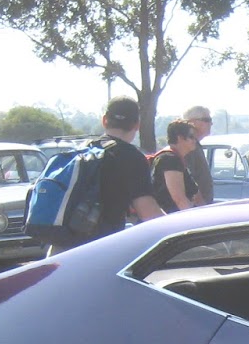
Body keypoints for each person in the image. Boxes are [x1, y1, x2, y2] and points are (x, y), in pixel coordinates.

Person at [64, 96, 162, 253]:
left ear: (104, 121)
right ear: (137, 125)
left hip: (60, 246)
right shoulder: (131, 157)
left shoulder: (81, 150)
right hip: (99, 248)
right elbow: (148, 212)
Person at [149, 119, 200, 212]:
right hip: (169, 220)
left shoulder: (176, 158)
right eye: (191, 137)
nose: (195, 140)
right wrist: (195, 221)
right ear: (180, 138)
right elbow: (180, 199)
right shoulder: (170, 160)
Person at [182, 105, 215, 205]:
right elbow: (189, 183)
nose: (211, 123)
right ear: (192, 122)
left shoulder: (196, 146)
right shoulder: (188, 148)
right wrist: (202, 207)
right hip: (195, 210)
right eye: (206, 120)